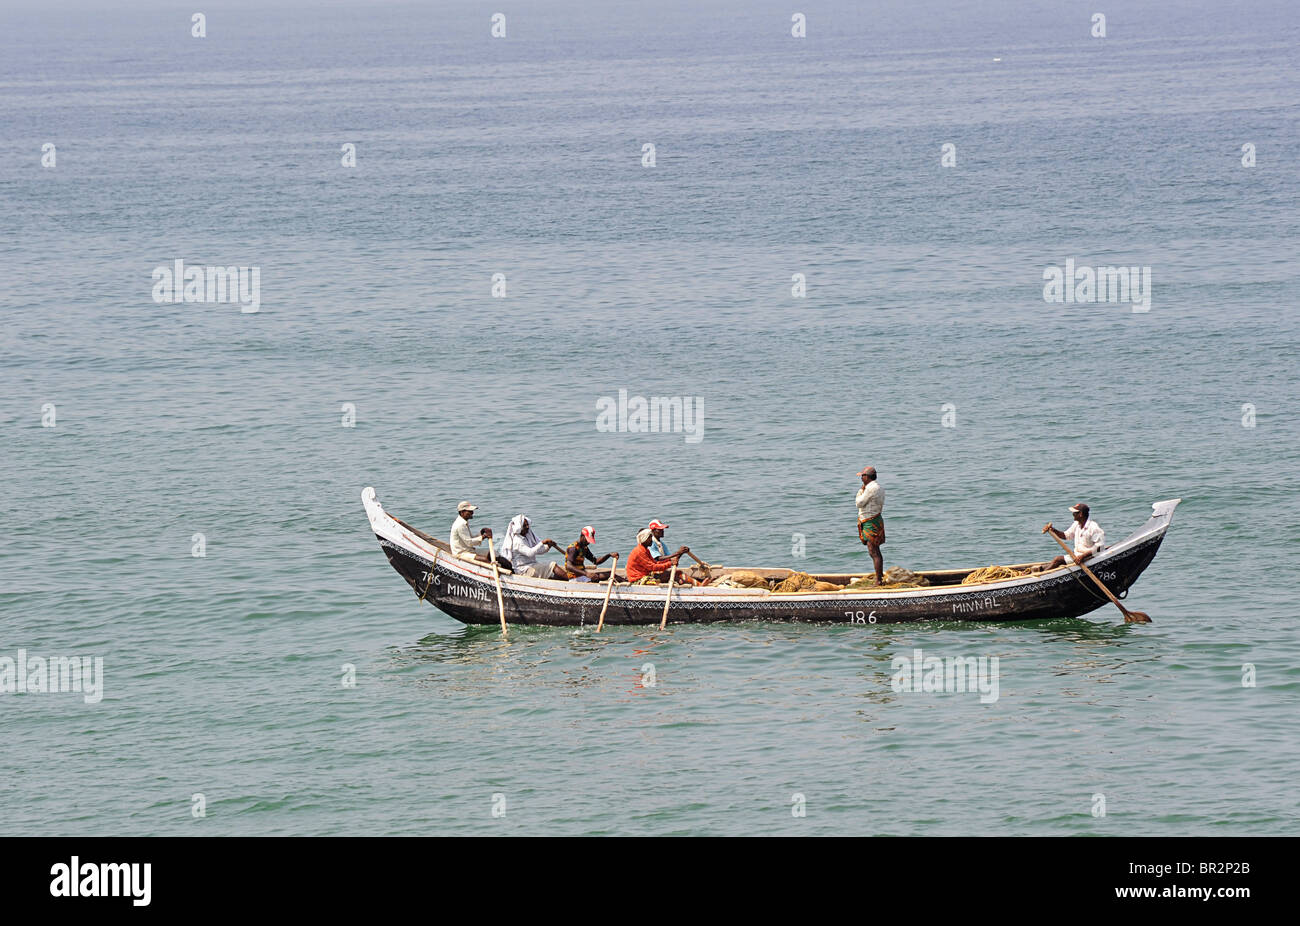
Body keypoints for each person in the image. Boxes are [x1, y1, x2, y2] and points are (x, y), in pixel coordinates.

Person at [1039, 503, 1106, 570]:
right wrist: (1053, 530)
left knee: (1058, 560)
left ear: (1080, 514)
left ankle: (1042, 576)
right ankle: (1043, 570)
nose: (1073, 514)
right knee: (1055, 562)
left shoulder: (1093, 528)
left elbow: (1100, 547)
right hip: (1077, 556)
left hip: (1089, 557)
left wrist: (1083, 556)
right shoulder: (1077, 524)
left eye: (1074, 513)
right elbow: (1066, 535)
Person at [500, 515, 566, 579]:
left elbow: (539, 551)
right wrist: (542, 542)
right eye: (525, 525)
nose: (528, 527)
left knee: (562, 569)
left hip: (532, 565)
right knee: (553, 566)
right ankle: (572, 580)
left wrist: (548, 546)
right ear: (519, 527)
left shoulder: (528, 536)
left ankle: (570, 580)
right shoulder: (517, 541)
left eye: (527, 524)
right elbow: (530, 553)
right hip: (524, 570)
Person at [626, 528, 698, 585]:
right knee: (665, 579)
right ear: (645, 539)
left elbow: (656, 563)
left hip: (646, 575)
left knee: (678, 573)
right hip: (637, 579)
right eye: (650, 538)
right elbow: (653, 567)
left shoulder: (645, 550)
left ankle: (698, 585)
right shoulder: (639, 551)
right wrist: (670, 563)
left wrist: (672, 560)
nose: (651, 540)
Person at [450, 501, 506, 567]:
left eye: (472, 511)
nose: (472, 513)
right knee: (486, 560)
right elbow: (469, 543)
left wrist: (481, 533)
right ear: (462, 512)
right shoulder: (460, 524)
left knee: (494, 553)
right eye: (469, 511)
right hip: (462, 553)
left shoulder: (463, 522)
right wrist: (484, 537)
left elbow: (471, 538)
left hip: (469, 551)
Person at [855, 465, 885, 585]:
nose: (861, 478)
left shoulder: (870, 488)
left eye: (862, 476)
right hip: (875, 519)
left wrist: (860, 491)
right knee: (875, 550)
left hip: (870, 521)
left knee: (873, 551)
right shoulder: (878, 487)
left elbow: (859, 503)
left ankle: (878, 580)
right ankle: (879, 577)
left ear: (867, 477)